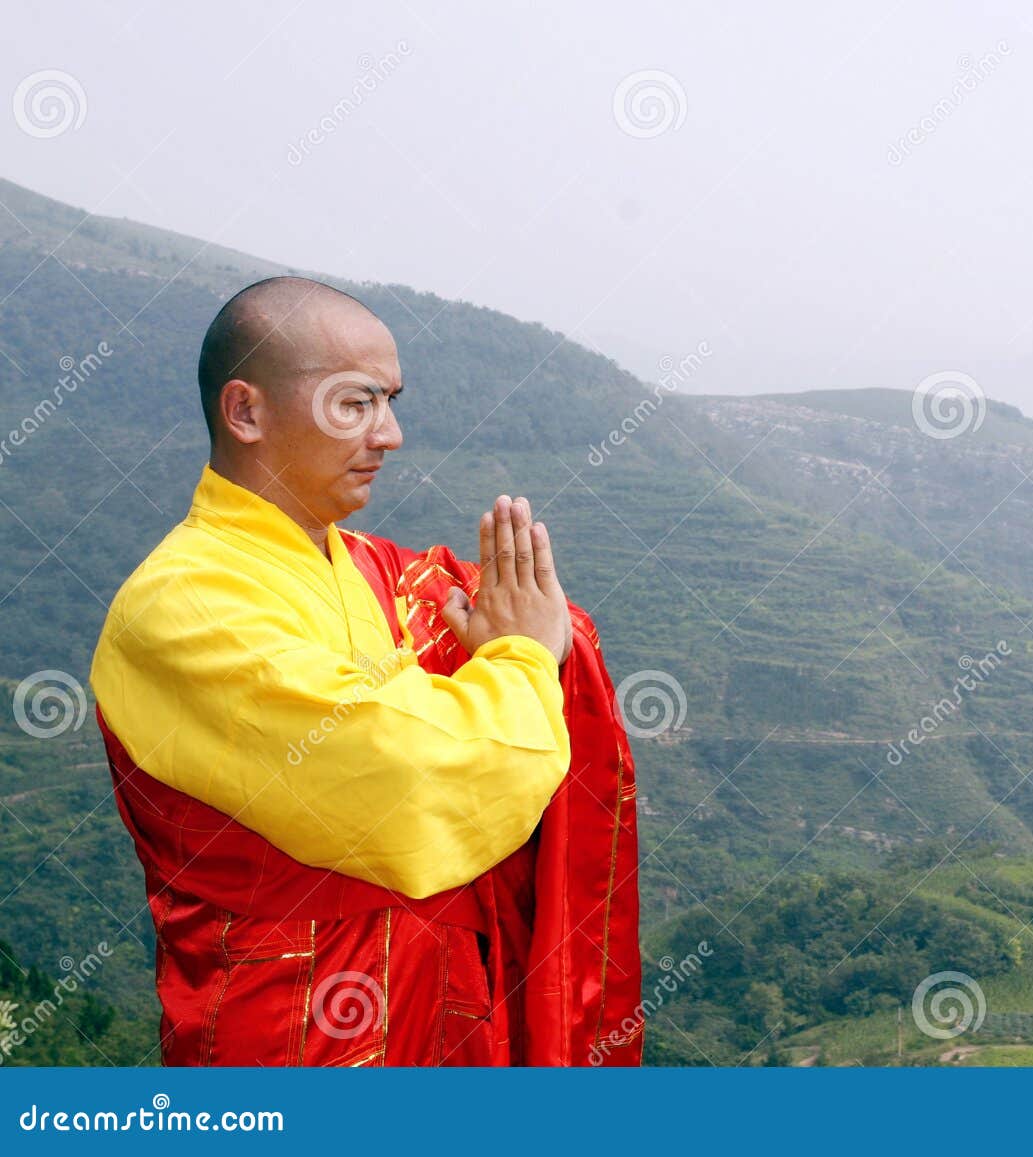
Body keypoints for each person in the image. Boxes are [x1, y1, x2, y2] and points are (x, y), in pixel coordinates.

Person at [89, 276, 641, 1065]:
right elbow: (411, 780)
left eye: (390, 401)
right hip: (293, 1037)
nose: (390, 435)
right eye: (355, 404)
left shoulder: (367, 569)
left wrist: (538, 633)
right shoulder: (185, 606)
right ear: (245, 411)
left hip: (441, 1014)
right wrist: (522, 655)